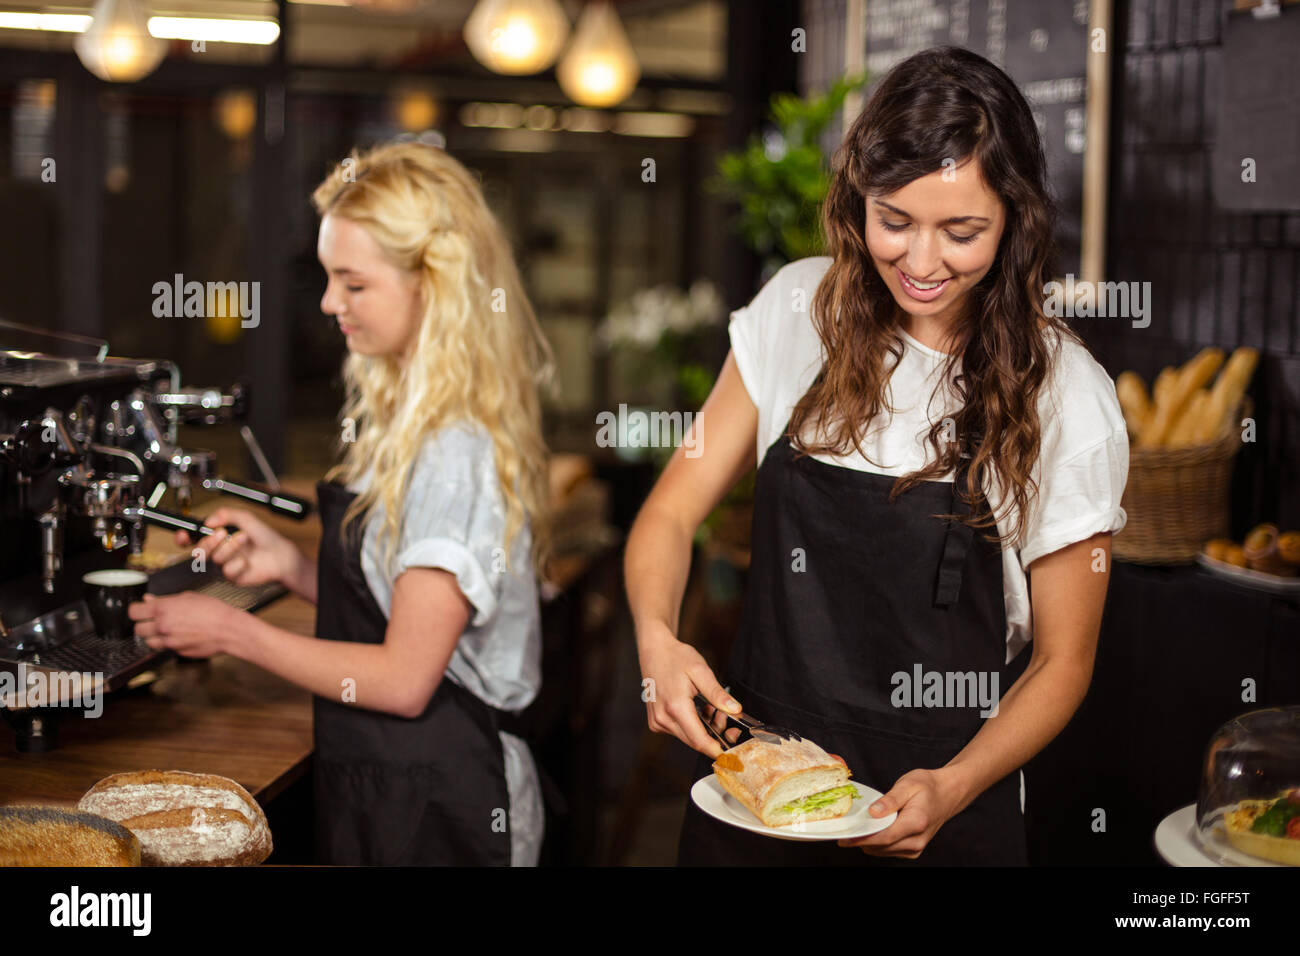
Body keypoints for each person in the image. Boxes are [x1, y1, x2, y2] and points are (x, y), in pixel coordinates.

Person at [625, 46, 1130, 865]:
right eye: (893, 220)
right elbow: (670, 512)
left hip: (944, 803)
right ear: (857, 200)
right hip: (756, 798)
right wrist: (656, 638)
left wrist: (955, 787)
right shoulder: (797, 310)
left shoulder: (1065, 394)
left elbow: (1064, 662)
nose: (921, 263)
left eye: (961, 232)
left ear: (1015, 220)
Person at [130, 140, 555, 867]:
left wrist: (232, 631)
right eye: (329, 279)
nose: (329, 303)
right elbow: (407, 610)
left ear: (435, 285)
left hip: (450, 799)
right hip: (402, 783)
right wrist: (285, 566)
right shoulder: (412, 411)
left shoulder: (455, 449)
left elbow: (404, 678)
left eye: (353, 284)